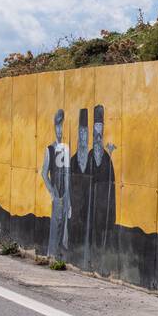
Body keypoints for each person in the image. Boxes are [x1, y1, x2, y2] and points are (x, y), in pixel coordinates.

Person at [39, 109, 70, 259]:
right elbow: (44, 173)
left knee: (63, 226)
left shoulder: (65, 149)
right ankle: (52, 255)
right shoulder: (50, 149)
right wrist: (52, 192)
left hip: (65, 195)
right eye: (57, 126)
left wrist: (68, 197)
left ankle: (58, 256)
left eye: (61, 126)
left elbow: (67, 174)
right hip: (57, 194)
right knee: (55, 226)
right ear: (54, 128)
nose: (59, 130)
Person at [88, 104, 117, 256]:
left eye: (101, 131)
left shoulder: (107, 159)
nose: (98, 135)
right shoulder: (88, 157)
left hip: (103, 210)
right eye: (95, 131)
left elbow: (112, 192)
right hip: (89, 212)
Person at [69, 108, 92, 265]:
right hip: (74, 209)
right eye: (81, 134)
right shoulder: (72, 161)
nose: (83, 138)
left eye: (86, 134)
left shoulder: (93, 160)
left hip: (88, 212)